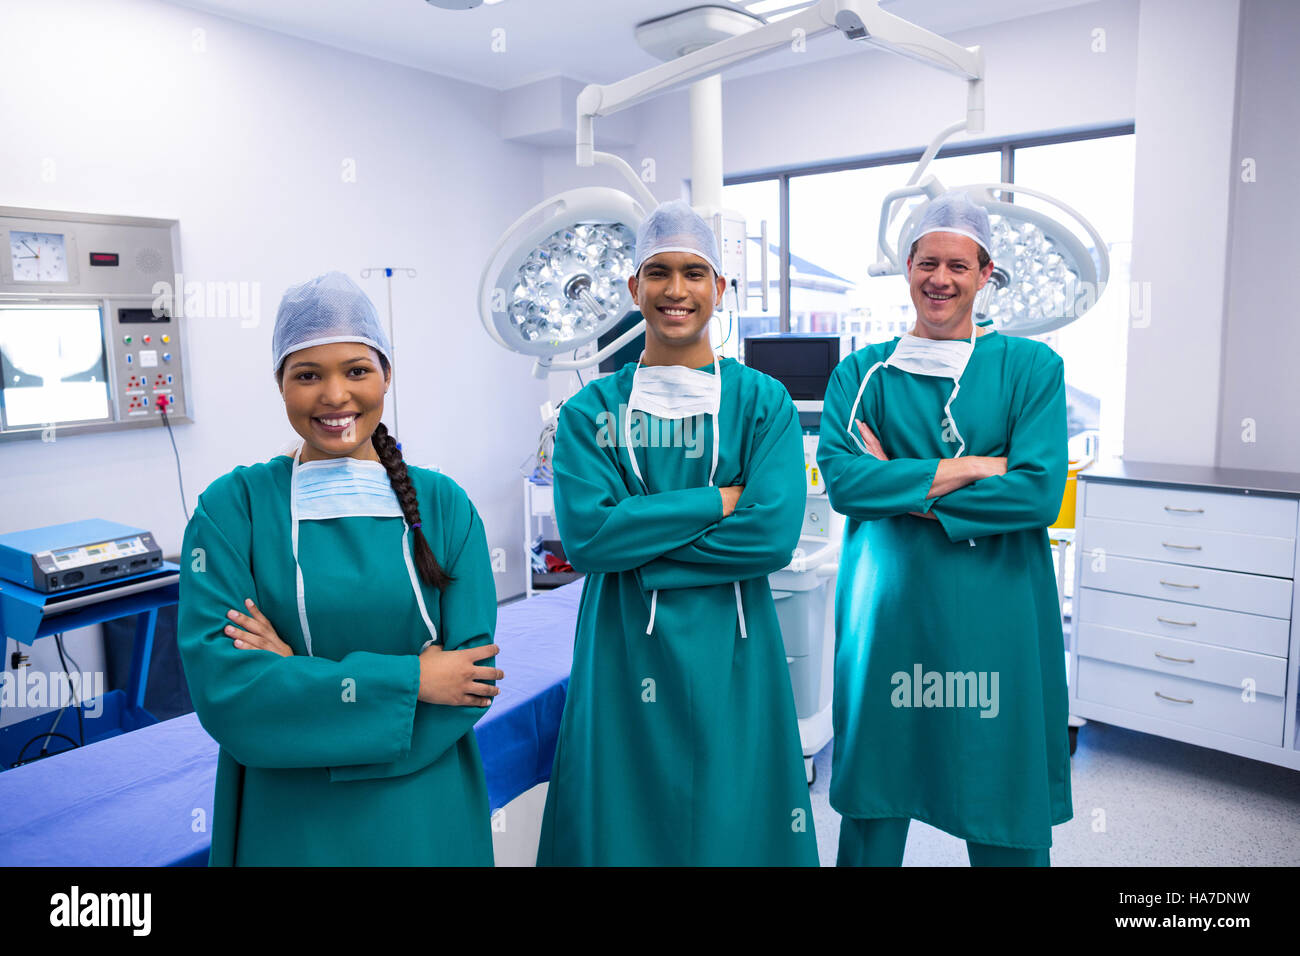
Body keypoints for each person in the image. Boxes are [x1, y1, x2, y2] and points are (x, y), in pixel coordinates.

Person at [177, 271, 503, 866]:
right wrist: (413, 682)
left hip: (422, 812)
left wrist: (295, 673)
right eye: (308, 375)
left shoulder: (444, 506)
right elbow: (228, 691)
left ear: (386, 374)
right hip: (291, 821)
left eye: (356, 370)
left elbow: (470, 680)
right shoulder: (232, 511)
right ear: (280, 384)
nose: (334, 396)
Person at [536, 201, 818, 866]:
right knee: (627, 821)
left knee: (735, 818)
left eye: (695, 272)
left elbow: (772, 537)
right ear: (633, 289)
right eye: (657, 272)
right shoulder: (589, 413)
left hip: (734, 650)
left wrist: (643, 552)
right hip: (623, 652)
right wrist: (719, 499)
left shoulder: (762, 402)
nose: (675, 289)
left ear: (720, 289)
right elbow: (587, 542)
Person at [817, 192, 1071, 867]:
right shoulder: (860, 373)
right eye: (927, 262)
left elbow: (1039, 491)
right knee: (877, 782)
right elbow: (844, 482)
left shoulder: (1030, 369)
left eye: (959, 265)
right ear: (906, 267)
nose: (941, 278)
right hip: (890, 611)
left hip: (996, 614)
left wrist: (906, 487)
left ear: (986, 274)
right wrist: (977, 467)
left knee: (1000, 790)